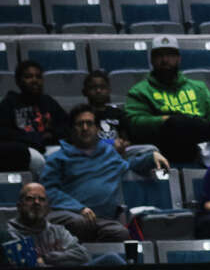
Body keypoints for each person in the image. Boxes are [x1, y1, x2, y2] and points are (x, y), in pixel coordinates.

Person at [124, 35, 210, 164]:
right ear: (152, 60)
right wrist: (164, 120)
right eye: (160, 55)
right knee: (176, 122)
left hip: (201, 139)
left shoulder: (197, 88)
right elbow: (134, 123)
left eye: (170, 55)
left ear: (179, 59)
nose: (165, 60)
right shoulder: (140, 91)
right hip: (168, 144)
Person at [41, 103, 166, 242]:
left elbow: (128, 165)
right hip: (69, 214)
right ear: (72, 129)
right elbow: (48, 190)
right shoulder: (58, 158)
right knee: (79, 223)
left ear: (97, 128)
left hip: (101, 220)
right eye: (80, 124)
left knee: (121, 233)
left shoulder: (109, 154)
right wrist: (79, 208)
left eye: (89, 123)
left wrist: (151, 157)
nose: (85, 128)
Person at [1, 180, 91, 266]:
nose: (37, 202)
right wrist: (62, 257)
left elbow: (83, 255)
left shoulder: (58, 231)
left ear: (48, 208)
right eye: (30, 199)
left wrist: (46, 258)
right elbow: (30, 264)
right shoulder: (9, 234)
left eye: (42, 199)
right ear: (19, 206)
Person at [0, 59, 68, 168]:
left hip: (49, 147)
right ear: (18, 81)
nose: (34, 80)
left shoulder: (48, 101)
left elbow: (66, 125)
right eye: (28, 77)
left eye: (38, 77)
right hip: (23, 150)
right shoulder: (9, 103)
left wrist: (51, 135)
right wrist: (33, 138)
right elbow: (4, 132)